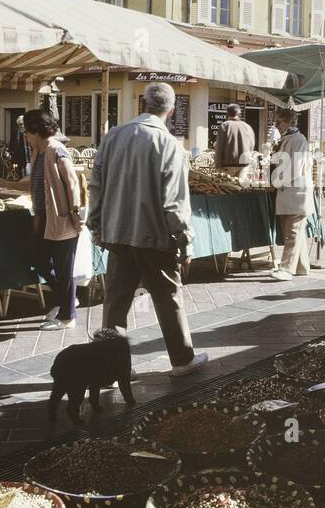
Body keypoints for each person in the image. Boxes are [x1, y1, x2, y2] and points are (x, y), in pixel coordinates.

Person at [88, 82, 207, 376]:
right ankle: (181, 360)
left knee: (116, 301)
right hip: (153, 235)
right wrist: (184, 241)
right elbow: (174, 201)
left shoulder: (114, 136)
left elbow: (96, 186)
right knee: (168, 298)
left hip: (117, 232)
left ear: (144, 103)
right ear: (171, 108)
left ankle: (110, 368)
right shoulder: (169, 144)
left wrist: (96, 224)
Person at [17, 109, 87, 330]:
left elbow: (72, 183)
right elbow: (31, 184)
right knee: (39, 261)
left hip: (61, 218)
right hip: (44, 219)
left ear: (36, 130)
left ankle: (68, 316)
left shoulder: (56, 150)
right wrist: (0, 182)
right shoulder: (38, 151)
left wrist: (75, 214)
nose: (25, 136)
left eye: (27, 131)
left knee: (64, 268)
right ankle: (63, 300)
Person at [269, 107, 312, 282]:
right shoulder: (287, 139)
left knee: (293, 231)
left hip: (296, 192)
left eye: (278, 122)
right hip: (289, 192)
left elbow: (296, 167)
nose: (276, 125)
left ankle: (286, 268)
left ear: (288, 122)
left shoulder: (298, 139)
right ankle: (301, 266)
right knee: (293, 230)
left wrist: (277, 182)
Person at [214, 104, 256, 182]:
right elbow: (252, 145)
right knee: (241, 189)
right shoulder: (247, 127)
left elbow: (219, 147)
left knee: (228, 189)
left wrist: (218, 165)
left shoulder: (225, 126)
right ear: (239, 114)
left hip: (229, 164)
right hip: (245, 163)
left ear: (227, 113)